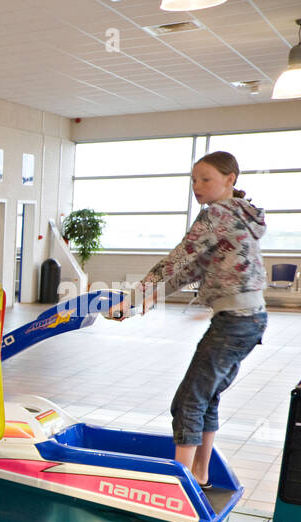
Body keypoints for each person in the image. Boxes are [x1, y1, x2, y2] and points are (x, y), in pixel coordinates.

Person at [109, 151, 267, 486]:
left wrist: (132, 296)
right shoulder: (240, 214)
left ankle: (180, 486)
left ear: (230, 179)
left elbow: (175, 261)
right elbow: (191, 269)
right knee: (205, 398)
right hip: (249, 319)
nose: (196, 186)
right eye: (193, 180)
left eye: (205, 179)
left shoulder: (216, 215)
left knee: (187, 402)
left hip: (235, 320)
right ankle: (200, 473)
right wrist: (144, 299)